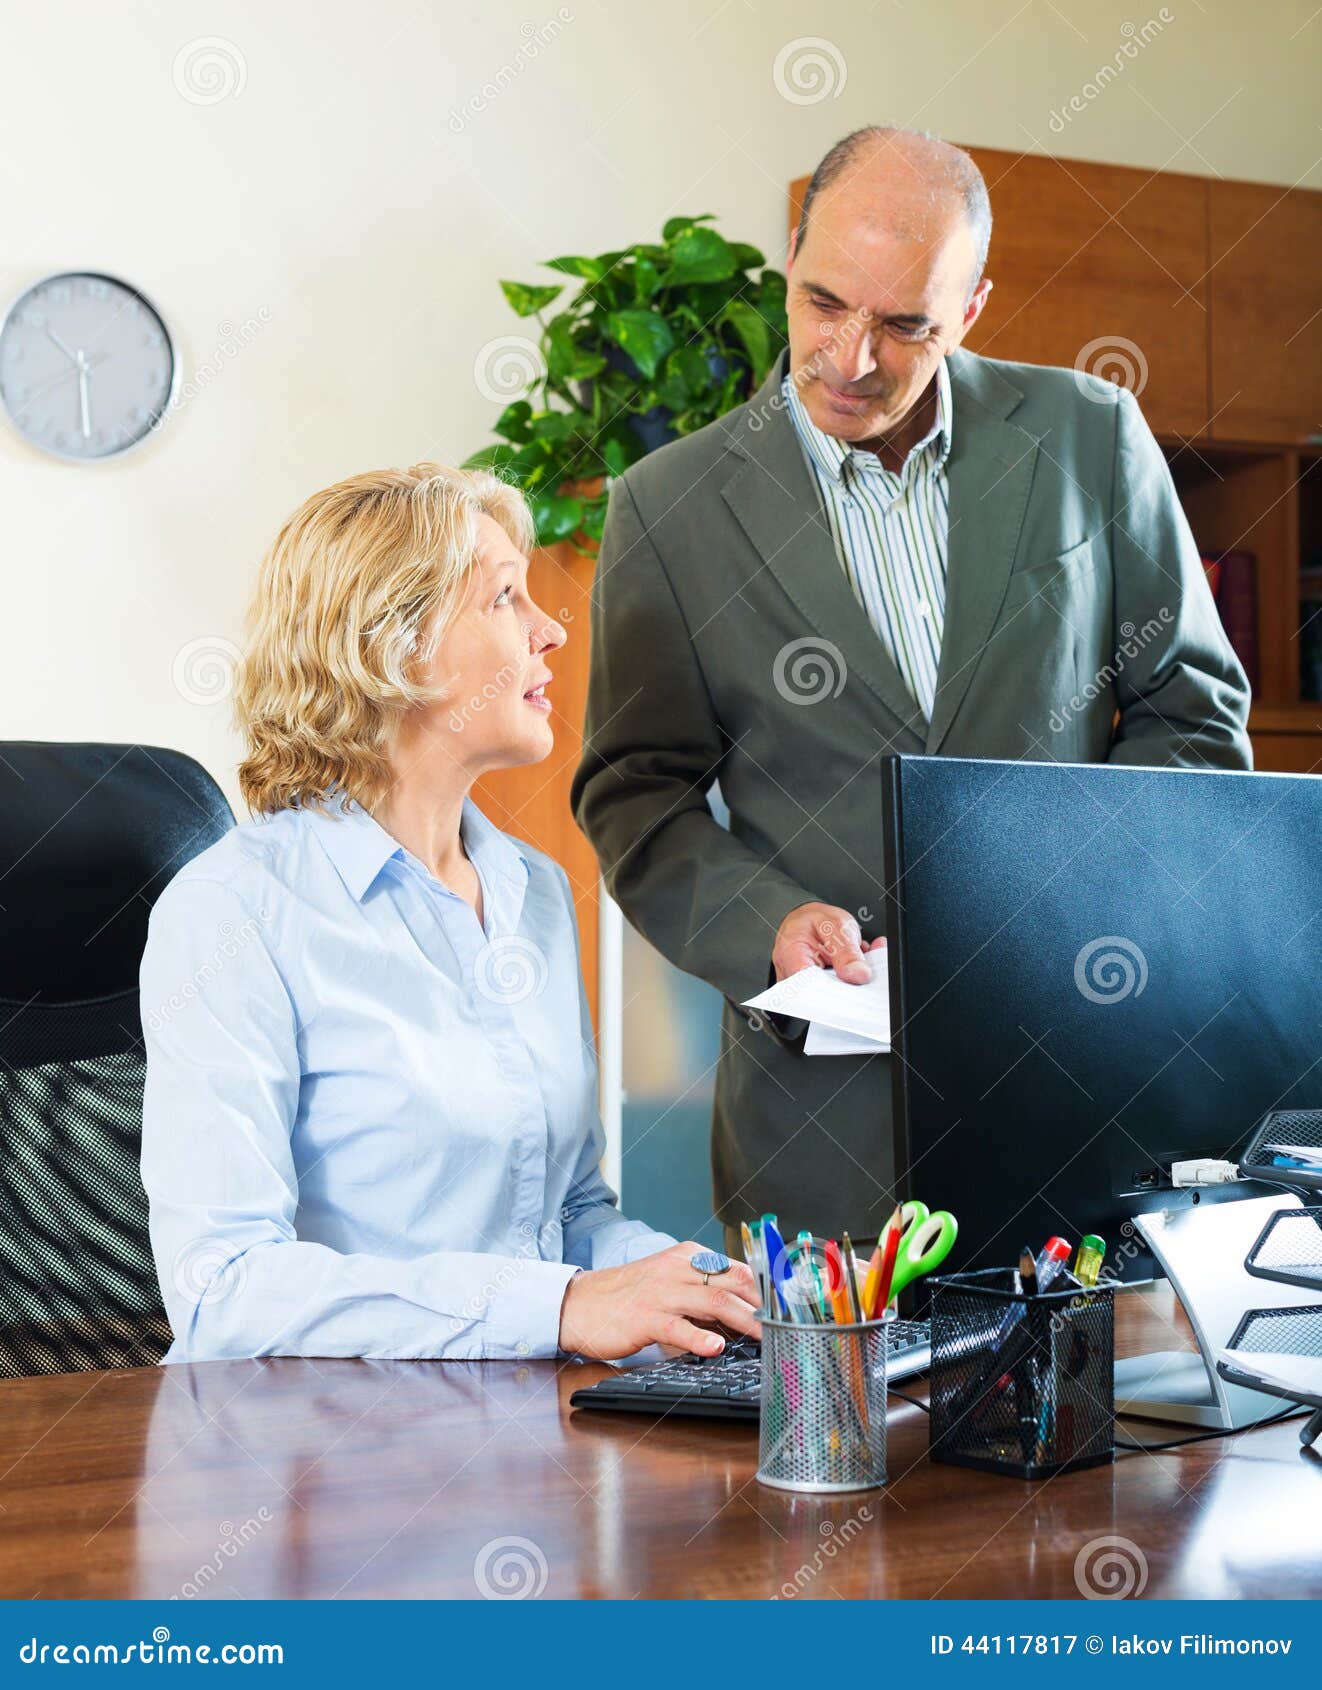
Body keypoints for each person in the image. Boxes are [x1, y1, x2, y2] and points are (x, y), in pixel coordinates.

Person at [571, 125, 1252, 1256]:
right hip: (820, 1134)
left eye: (903, 324)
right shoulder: (668, 506)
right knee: (841, 1440)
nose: (847, 358)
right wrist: (767, 923)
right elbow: (636, 796)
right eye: (823, 302)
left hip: (1077, 1083)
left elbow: (1189, 709)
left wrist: (1075, 894)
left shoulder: (1090, 439)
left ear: (970, 310)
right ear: (788, 263)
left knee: (1106, 1429)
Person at [139, 463, 761, 1362]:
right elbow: (224, 1290)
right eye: (506, 598)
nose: (551, 630)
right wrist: (555, 1309)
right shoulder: (234, 911)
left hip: (528, 1441)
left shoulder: (533, 891)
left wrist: (716, 1288)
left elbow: (571, 1218)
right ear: (393, 647)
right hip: (328, 1462)